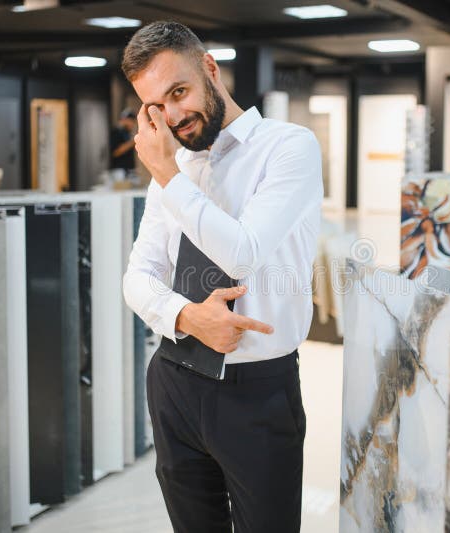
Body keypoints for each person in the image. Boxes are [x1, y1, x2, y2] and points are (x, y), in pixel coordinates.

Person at [121, 20, 322, 533]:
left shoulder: (288, 147)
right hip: (173, 382)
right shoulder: (175, 163)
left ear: (210, 68)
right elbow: (138, 277)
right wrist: (186, 317)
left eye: (179, 91)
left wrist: (167, 175)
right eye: (155, 106)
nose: (172, 116)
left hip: (257, 394)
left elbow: (242, 253)